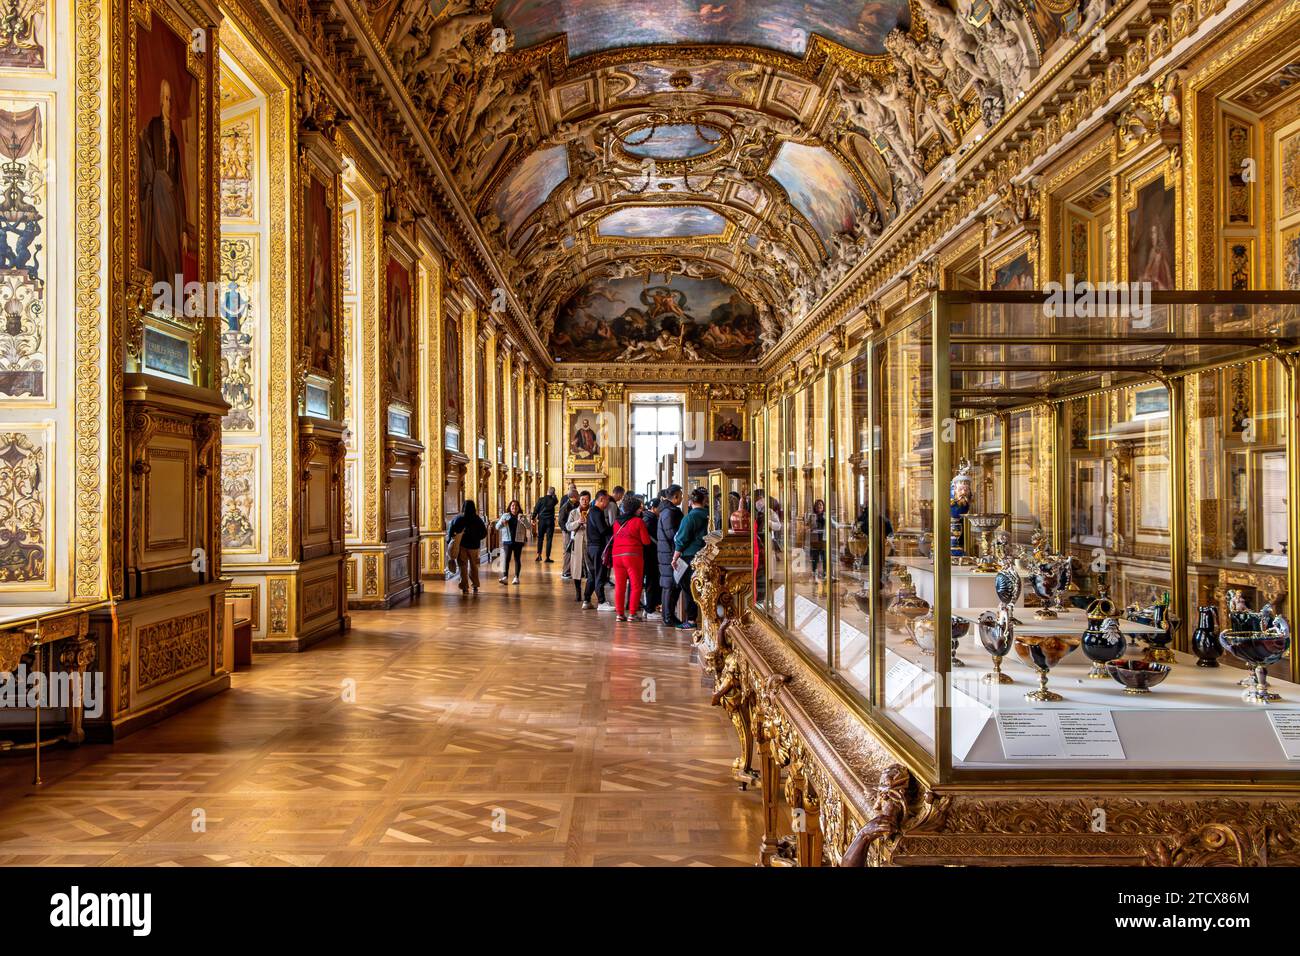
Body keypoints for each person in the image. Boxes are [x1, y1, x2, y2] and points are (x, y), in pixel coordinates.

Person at [672, 487, 710, 629]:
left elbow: (682, 539)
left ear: (691, 501)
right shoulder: (709, 515)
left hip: (689, 557)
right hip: (706, 555)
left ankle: (692, 620)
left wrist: (675, 558)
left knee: (689, 589)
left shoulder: (690, 517)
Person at [612, 495, 654, 622]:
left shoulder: (616, 522)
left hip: (616, 556)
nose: (641, 510)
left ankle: (619, 614)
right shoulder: (638, 521)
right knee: (636, 585)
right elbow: (646, 541)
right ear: (634, 509)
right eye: (639, 508)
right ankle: (632, 614)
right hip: (633, 555)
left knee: (619, 586)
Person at [657, 485, 686, 627]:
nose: (682, 498)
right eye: (680, 495)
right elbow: (672, 534)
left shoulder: (667, 511)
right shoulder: (670, 512)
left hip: (666, 552)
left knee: (669, 585)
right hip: (669, 553)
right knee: (670, 586)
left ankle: (667, 615)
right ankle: (668, 617)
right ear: (675, 497)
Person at [448, 500, 488, 596]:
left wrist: (450, 541)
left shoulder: (458, 518)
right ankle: (475, 584)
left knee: (462, 566)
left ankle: (464, 587)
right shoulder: (477, 519)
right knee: (474, 566)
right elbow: (484, 533)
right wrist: (476, 538)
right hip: (474, 546)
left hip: (461, 546)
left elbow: (451, 531)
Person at [582, 489, 614, 610]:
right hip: (597, 547)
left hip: (591, 547)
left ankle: (586, 600)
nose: (607, 503)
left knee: (593, 574)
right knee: (600, 574)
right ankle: (601, 602)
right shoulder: (597, 512)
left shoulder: (592, 511)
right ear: (601, 499)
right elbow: (603, 530)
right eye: (606, 500)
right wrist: (614, 527)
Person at [565, 491, 591, 602]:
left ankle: (587, 594)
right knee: (576, 569)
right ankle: (578, 592)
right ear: (579, 500)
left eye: (586, 499)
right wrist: (578, 522)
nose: (584, 502)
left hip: (589, 543)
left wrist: (586, 523)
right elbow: (567, 526)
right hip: (577, 542)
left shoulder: (592, 512)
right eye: (582, 499)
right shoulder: (573, 513)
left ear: (589, 500)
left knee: (590, 569)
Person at [494, 499, 525, 585]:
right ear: (510, 507)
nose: (514, 507)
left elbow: (529, 526)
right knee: (506, 559)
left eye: (516, 506)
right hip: (507, 541)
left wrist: (523, 520)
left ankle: (516, 577)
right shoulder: (505, 515)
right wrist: (502, 523)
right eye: (512, 506)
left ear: (518, 507)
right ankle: (505, 577)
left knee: (517, 559)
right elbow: (497, 527)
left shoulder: (521, 516)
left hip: (518, 541)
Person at [641, 495, 662, 617]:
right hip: (650, 555)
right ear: (654, 508)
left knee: (651, 581)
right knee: (651, 582)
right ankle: (650, 609)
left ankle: (650, 607)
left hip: (650, 555)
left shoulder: (648, 518)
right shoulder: (650, 520)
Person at [531, 487, 559, 563]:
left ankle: (539, 555)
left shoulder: (541, 500)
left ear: (547, 491)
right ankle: (547, 557)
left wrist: (533, 518)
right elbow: (556, 500)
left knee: (540, 538)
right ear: (553, 493)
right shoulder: (553, 500)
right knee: (549, 539)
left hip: (542, 521)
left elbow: (536, 509)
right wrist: (554, 495)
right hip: (550, 522)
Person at [557, 489, 580, 580]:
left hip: (575, 530)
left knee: (575, 550)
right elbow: (560, 521)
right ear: (574, 496)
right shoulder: (565, 507)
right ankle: (565, 572)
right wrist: (567, 530)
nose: (578, 497)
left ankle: (575, 570)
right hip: (568, 532)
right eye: (577, 495)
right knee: (567, 550)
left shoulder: (576, 504)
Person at [807, 498, 828, 582]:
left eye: (821, 505)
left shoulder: (826, 515)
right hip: (815, 539)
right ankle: (814, 573)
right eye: (818, 505)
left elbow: (832, 523)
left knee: (825, 557)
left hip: (824, 539)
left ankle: (825, 573)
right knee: (815, 557)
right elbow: (808, 525)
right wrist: (809, 528)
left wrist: (841, 526)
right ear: (815, 507)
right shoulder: (811, 516)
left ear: (823, 506)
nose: (819, 506)